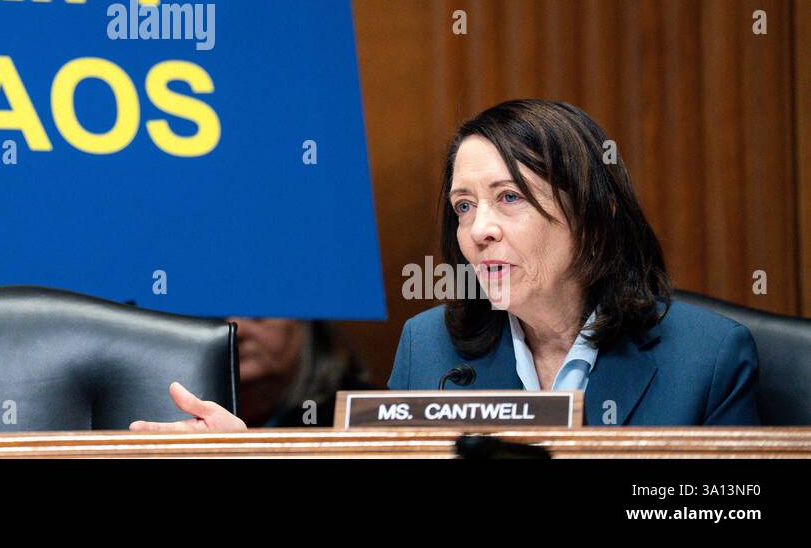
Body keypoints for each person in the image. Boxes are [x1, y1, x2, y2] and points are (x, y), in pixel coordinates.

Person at [130, 99, 760, 431]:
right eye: (464, 206)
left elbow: (725, 512)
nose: (479, 230)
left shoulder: (708, 358)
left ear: (595, 215)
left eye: (508, 199)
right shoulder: (430, 345)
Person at [231, 318, 371, 427]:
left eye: (257, 314)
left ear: (306, 327)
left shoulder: (363, 412)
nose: (236, 329)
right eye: (216, 315)